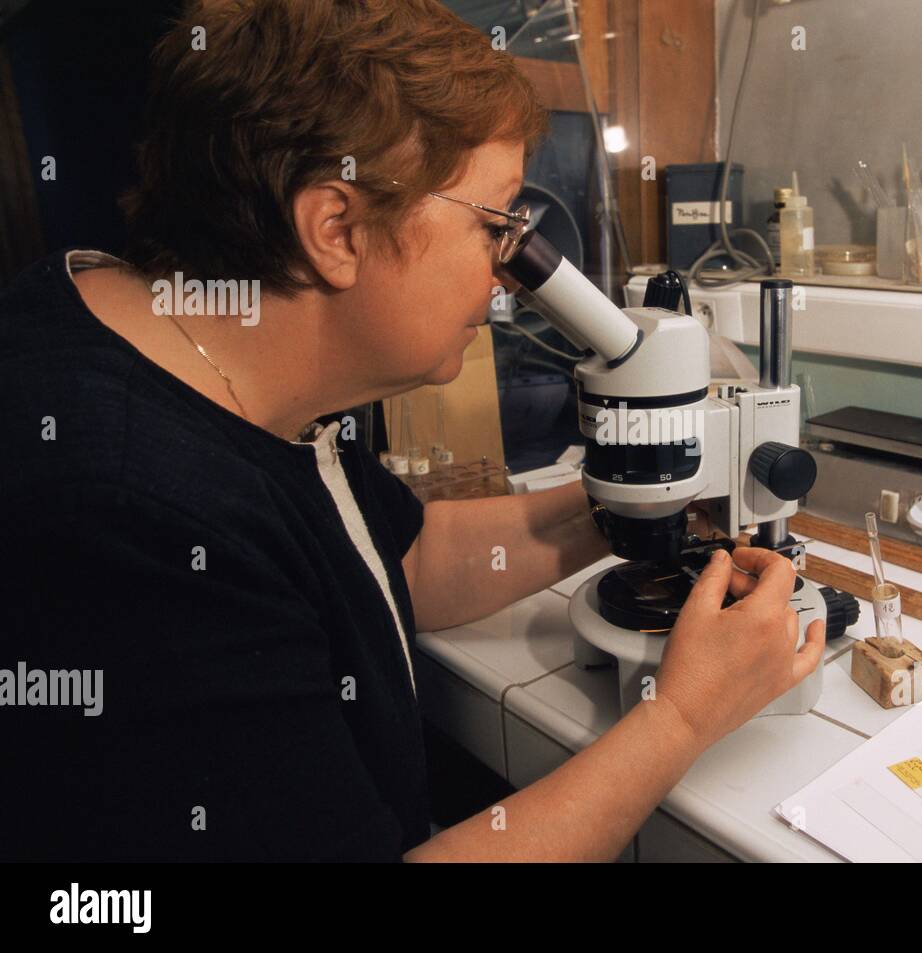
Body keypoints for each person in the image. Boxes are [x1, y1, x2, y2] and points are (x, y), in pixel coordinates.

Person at [0, 0, 824, 862]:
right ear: (337, 229)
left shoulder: (221, 374)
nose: (510, 268)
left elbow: (397, 557)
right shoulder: (125, 518)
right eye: (495, 222)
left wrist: (637, 509)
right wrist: (682, 716)